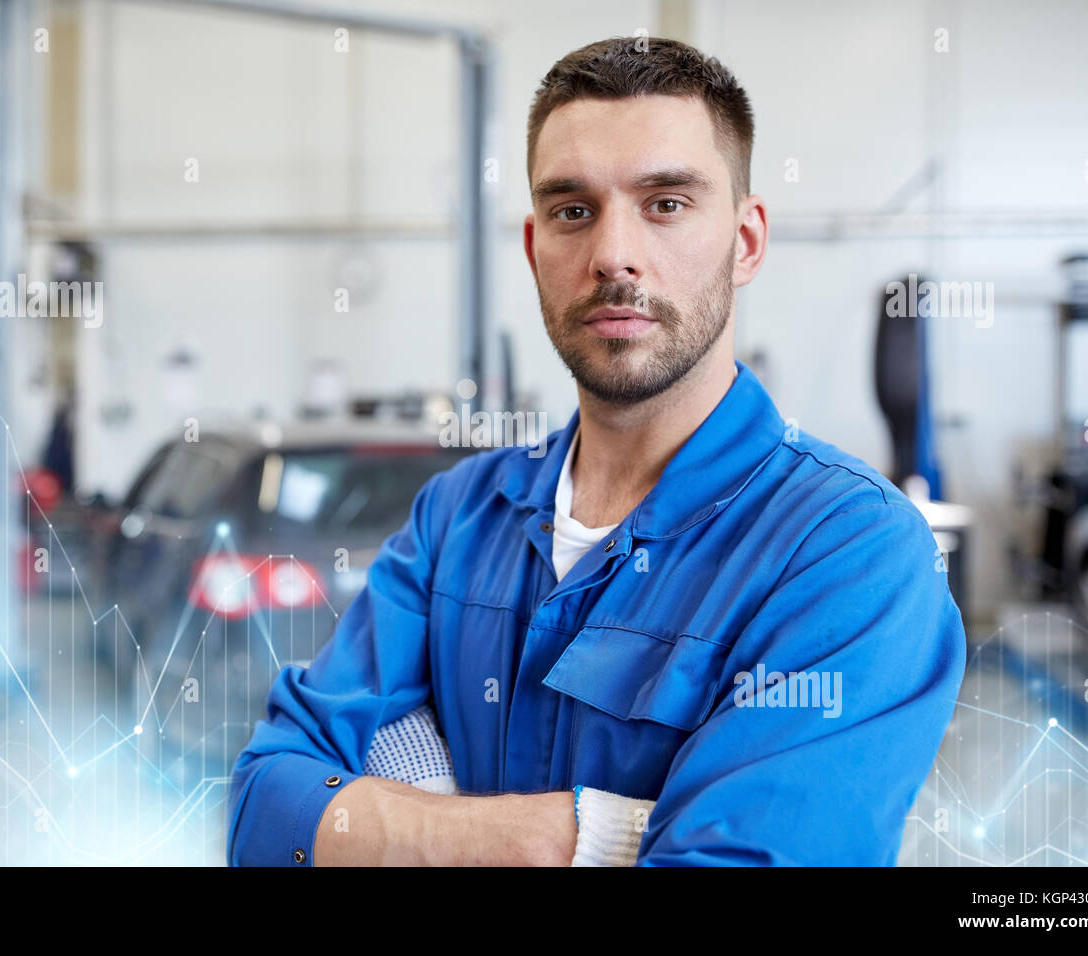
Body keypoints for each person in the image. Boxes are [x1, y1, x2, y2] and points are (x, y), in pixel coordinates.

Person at [227, 35, 965, 867]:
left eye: (667, 204)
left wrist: (396, 816)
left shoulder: (848, 551)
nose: (613, 254)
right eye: (573, 210)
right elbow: (264, 807)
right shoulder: (459, 516)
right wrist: (571, 838)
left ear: (747, 242)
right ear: (535, 247)